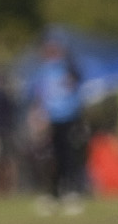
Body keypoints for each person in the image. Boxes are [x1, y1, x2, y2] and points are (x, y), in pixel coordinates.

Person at [29, 37, 86, 212]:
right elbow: (39, 96)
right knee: (49, 158)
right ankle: (52, 193)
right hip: (50, 119)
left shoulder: (68, 67)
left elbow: (77, 82)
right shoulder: (43, 71)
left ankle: (70, 191)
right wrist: (38, 116)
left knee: (69, 156)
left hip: (68, 118)